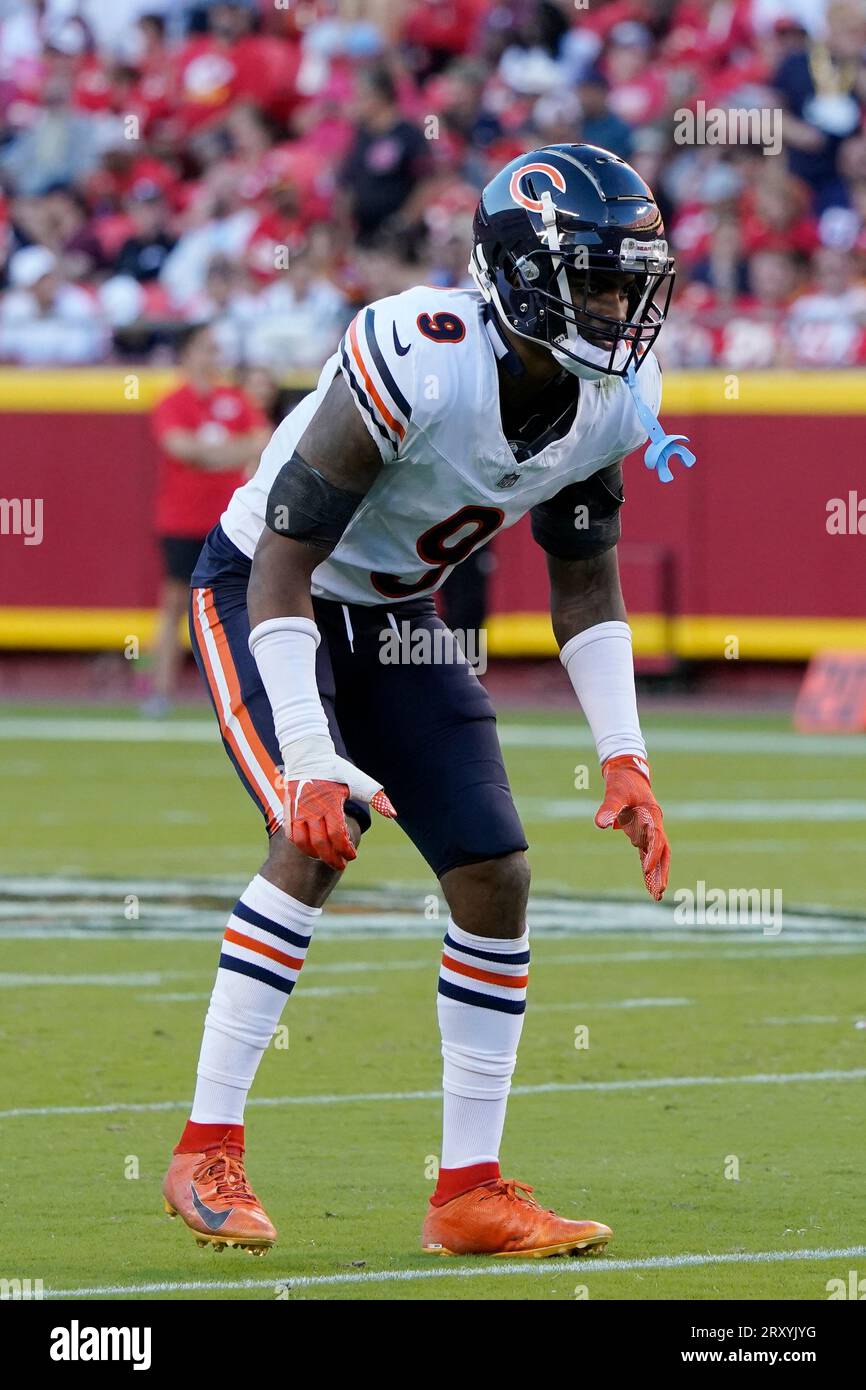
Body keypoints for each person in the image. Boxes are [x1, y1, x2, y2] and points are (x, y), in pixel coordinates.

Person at [163, 144, 676, 1258]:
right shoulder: (418, 352)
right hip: (265, 589)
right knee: (317, 834)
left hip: (397, 618)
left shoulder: (603, 398)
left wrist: (624, 752)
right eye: (595, 279)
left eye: (630, 281)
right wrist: (307, 749)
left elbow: (583, 582)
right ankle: (206, 1147)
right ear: (523, 273)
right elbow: (285, 564)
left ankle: (468, 1191)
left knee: (493, 869)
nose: (619, 305)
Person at [146, 323, 267, 714]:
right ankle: (160, 692)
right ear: (186, 353)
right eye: (204, 349)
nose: (212, 357)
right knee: (173, 605)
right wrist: (231, 452)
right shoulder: (173, 401)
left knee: (244, 604)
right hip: (181, 519)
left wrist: (209, 455)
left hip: (230, 520)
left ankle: (245, 695)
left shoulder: (236, 399)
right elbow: (182, 449)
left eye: (215, 350)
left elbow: (264, 441)